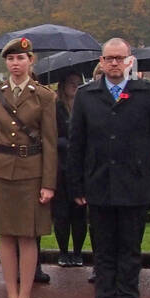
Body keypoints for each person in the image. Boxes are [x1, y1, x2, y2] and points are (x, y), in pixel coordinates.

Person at [68, 38, 150, 298]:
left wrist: (141, 154)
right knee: (103, 247)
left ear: (130, 60)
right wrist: (77, 185)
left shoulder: (149, 94)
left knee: (130, 248)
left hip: (134, 184)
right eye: (109, 58)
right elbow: (76, 143)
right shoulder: (86, 96)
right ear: (101, 63)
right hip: (99, 183)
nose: (114, 63)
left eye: (120, 58)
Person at [0, 37, 57, 298]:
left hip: (31, 172)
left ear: (30, 61)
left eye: (21, 59)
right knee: (6, 236)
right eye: (10, 59)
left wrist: (49, 183)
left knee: (27, 236)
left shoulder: (44, 96)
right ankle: (11, 295)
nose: (15, 64)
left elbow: (50, 142)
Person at [52, 70, 89, 268]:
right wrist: (68, 143)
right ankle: (63, 251)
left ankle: (78, 251)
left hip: (81, 167)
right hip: (61, 166)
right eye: (71, 83)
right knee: (61, 213)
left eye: (78, 82)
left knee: (80, 213)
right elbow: (51, 135)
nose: (75, 86)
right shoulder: (56, 108)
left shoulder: (85, 106)